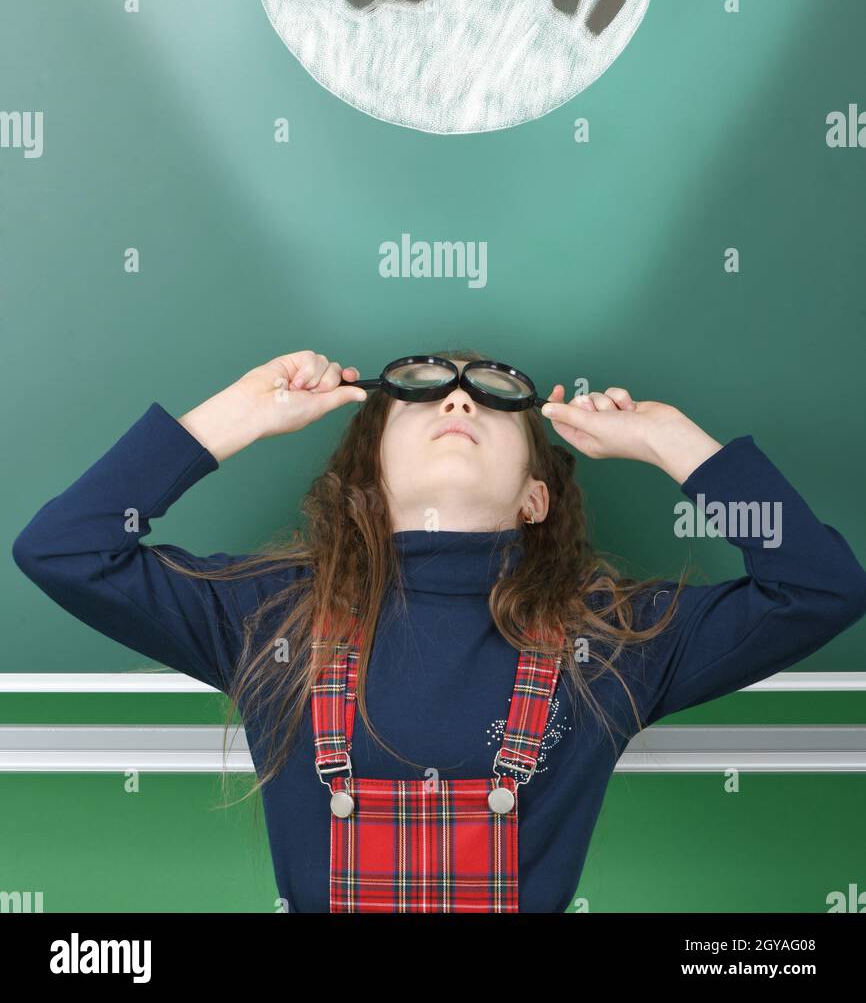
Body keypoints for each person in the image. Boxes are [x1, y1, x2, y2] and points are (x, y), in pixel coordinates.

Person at [12, 347, 866, 913]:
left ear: (535, 498)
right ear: (369, 485)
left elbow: (820, 588)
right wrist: (237, 415)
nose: (458, 395)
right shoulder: (267, 618)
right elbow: (64, 548)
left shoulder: (609, 641)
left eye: (494, 398)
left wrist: (672, 441)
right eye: (423, 389)